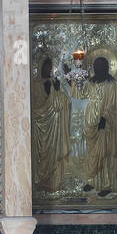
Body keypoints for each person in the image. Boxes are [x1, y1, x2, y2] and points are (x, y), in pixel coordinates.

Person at [82, 55, 117, 197]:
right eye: (95, 66)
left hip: (105, 123)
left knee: (104, 152)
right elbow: (80, 93)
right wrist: (71, 80)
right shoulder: (91, 82)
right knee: (92, 152)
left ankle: (107, 184)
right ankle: (92, 181)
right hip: (90, 120)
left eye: (101, 65)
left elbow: (114, 103)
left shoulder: (112, 84)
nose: (98, 68)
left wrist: (105, 117)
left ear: (106, 67)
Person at [31, 56, 70, 193]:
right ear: (41, 67)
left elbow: (63, 103)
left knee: (54, 156)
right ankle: (39, 183)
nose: (48, 69)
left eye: (50, 66)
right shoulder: (34, 84)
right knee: (40, 156)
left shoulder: (54, 82)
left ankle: (54, 185)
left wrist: (56, 90)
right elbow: (34, 108)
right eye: (46, 66)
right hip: (39, 128)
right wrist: (47, 92)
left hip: (55, 127)